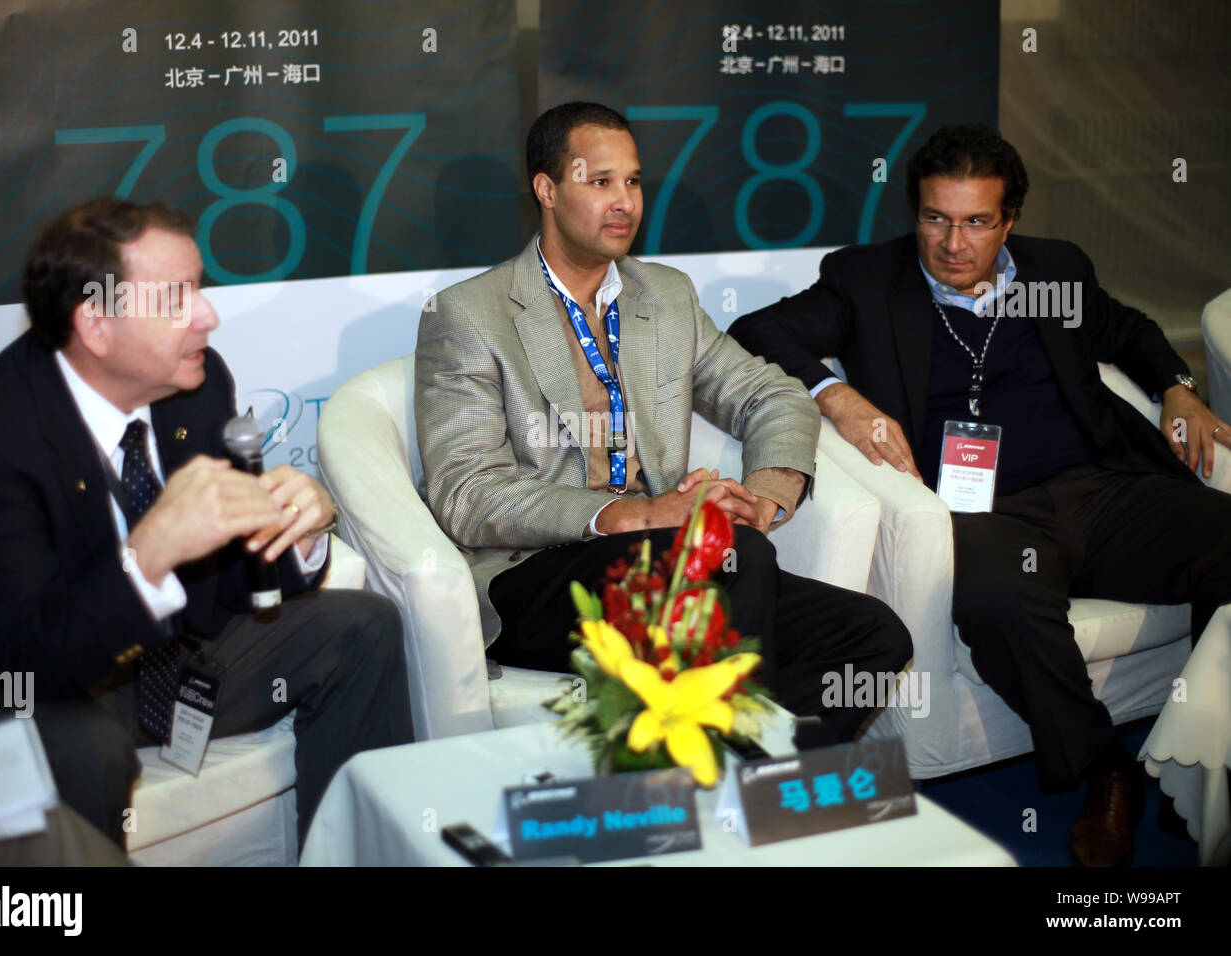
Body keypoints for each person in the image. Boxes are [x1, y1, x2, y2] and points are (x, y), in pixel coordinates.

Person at [729, 123, 1231, 866]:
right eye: (936, 218)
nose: (953, 243)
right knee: (998, 606)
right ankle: (1105, 769)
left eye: (976, 222)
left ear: (1010, 221)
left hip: (1103, 488)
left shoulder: (1056, 272)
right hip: (990, 515)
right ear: (915, 214)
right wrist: (839, 396)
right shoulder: (869, 280)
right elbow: (755, 328)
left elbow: (1129, 331)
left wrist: (1178, 390)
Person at [415, 102, 911, 749]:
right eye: (600, 182)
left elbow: (773, 394)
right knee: (734, 556)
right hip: (536, 575)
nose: (625, 201)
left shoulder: (665, 297)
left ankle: (742, 777)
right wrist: (631, 513)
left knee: (872, 638)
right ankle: (734, 795)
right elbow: (467, 494)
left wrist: (762, 495)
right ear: (547, 189)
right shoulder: (472, 315)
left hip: (675, 564)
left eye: (634, 181)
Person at [0, 198, 414, 851]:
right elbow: (32, 650)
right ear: (95, 325)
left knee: (363, 626)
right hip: (36, 678)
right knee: (83, 749)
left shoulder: (198, 381)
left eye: (200, 287)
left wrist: (294, 535)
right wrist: (150, 552)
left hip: (178, 654)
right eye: (176, 297)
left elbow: (246, 584)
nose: (207, 315)